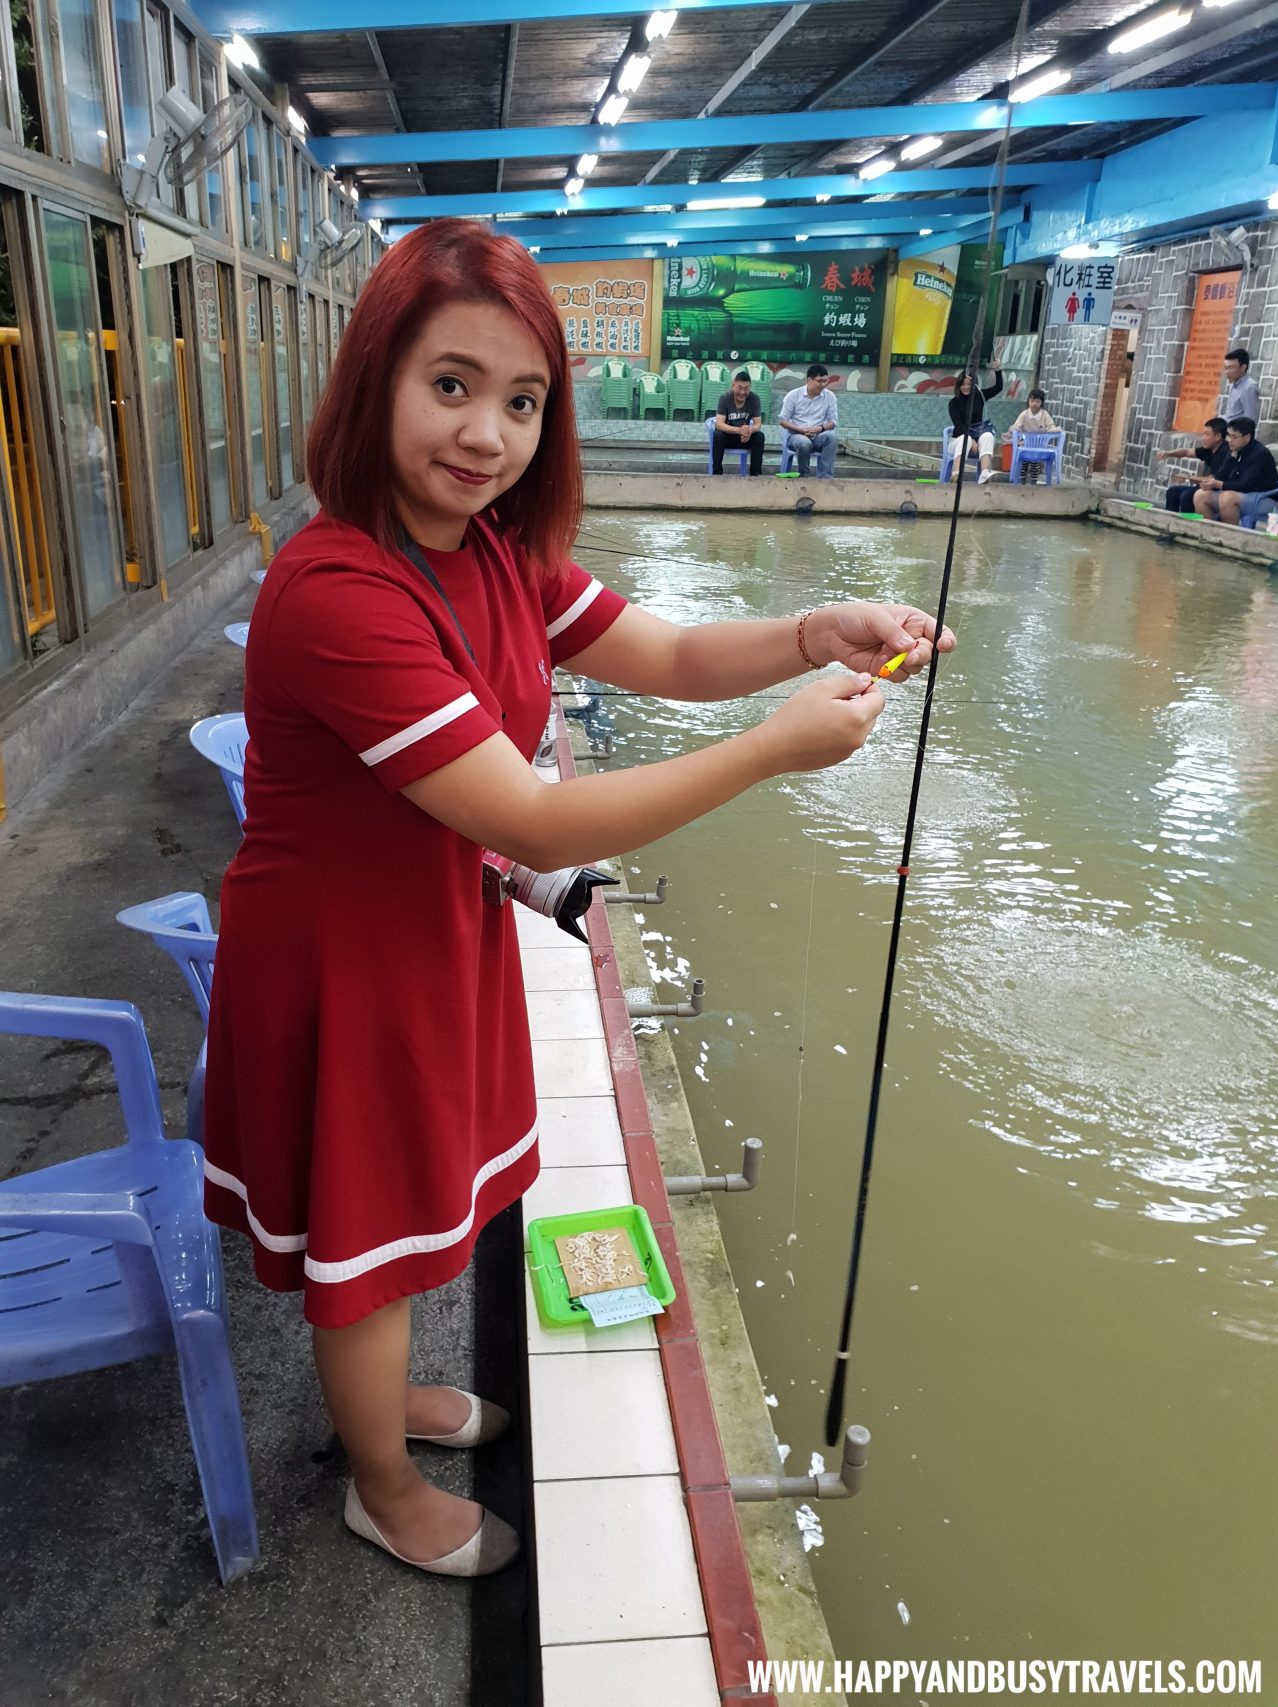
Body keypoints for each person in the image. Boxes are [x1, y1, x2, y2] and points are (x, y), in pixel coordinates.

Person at [202, 220, 954, 1582]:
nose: (486, 432)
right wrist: (775, 745)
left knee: (418, 1198)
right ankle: (377, 1478)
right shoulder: (337, 591)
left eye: (523, 400)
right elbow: (533, 815)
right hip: (339, 955)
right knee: (366, 1237)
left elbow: (659, 648)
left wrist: (808, 630)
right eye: (451, 383)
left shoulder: (491, 550)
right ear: (373, 379)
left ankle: (392, 1404)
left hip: (434, 926)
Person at [1191, 417, 1278, 525]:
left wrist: (1219, 484)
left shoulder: (1259, 454)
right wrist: (1211, 483)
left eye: (1234, 437)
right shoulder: (1234, 449)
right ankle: (1210, 533)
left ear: (1247, 437)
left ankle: (1228, 538)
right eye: (1228, 435)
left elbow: (1245, 485)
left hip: (1262, 497)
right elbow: (1222, 476)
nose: (1229, 440)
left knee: (1227, 498)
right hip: (1238, 494)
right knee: (1200, 495)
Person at [1156, 416, 1229, 513]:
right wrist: (1169, 453)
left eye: (1207, 435)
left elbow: (1211, 480)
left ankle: (1187, 525)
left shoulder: (1224, 452)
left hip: (1220, 490)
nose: (1203, 438)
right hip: (1205, 488)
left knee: (1187, 495)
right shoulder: (1208, 449)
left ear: (1218, 436)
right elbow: (1186, 452)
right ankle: (1170, 523)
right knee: (1172, 492)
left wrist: (1187, 477)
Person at [780, 364, 839, 478]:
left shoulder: (830, 396)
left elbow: (833, 421)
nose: (822, 385)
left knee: (832, 438)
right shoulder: (793, 395)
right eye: (819, 381)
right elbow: (783, 421)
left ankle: (825, 477)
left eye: (825, 381)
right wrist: (801, 430)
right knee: (804, 443)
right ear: (809, 380)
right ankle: (804, 476)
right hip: (797, 435)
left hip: (818, 435)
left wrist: (820, 428)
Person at [947, 367, 1004, 484]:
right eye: (963, 384)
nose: (966, 387)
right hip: (958, 440)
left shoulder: (979, 396)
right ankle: (956, 474)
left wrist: (998, 371)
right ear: (958, 386)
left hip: (978, 442)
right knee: (965, 439)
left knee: (988, 435)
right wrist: (971, 440)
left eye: (969, 384)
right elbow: (959, 426)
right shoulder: (953, 403)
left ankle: (984, 473)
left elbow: (998, 387)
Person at [712, 370, 764, 475]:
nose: (742, 392)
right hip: (729, 435)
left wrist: (750, 431)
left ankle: (755, 474)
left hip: (745, 437)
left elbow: (758, 424)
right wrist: (738, 430)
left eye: (746, 389)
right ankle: (717, 473)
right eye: (739, 388)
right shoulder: (725, 398)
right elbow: (719, 424)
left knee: (759, 436)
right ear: (733, 385)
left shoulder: (754, 399)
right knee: (717, 435)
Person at [1222, 348, 1260, 426]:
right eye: (1226, 368)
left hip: (1238, 436)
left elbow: (1250, 421)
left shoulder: (1249, 387)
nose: (1227, 372)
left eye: (1231, 367)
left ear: (1243, 367)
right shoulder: (1236, 384)